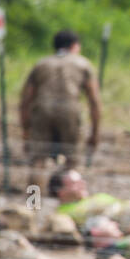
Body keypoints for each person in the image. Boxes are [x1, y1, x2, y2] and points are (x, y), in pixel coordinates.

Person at [18, 30, 102, 183]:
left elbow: (25, 100)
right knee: (73, 160)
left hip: (42, 111)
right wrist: (95, 132)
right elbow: (94, 101)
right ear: (75, 46)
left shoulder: (41, 64)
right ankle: (71, 197)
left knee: (38, 160)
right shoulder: (83, 64)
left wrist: (25, 129)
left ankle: (33, 202)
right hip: (70, 112)